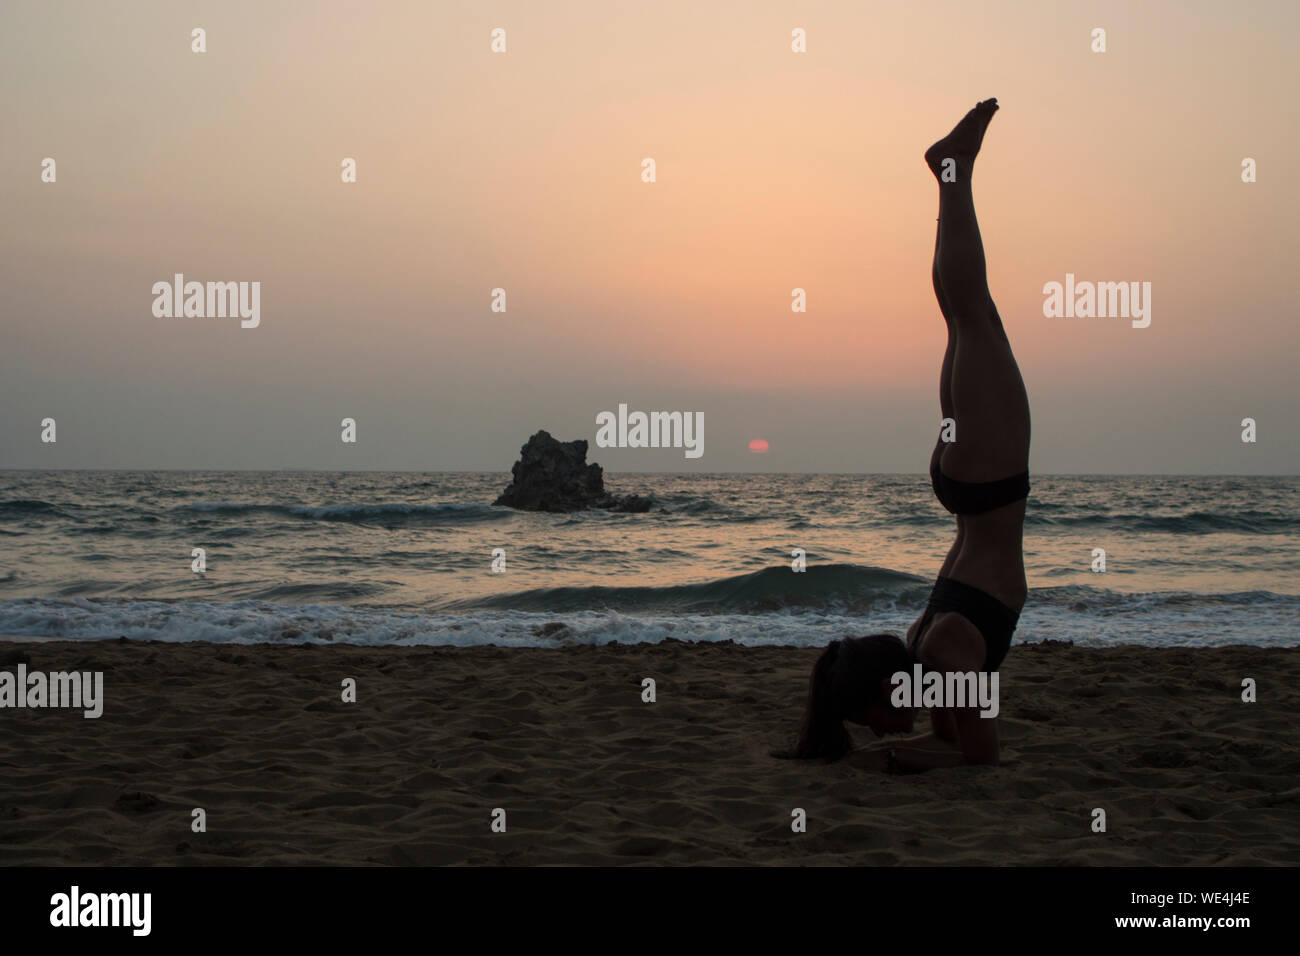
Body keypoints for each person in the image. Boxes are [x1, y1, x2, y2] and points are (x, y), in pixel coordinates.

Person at [779, 99, 1030, 771]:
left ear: (893, 688)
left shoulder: (943, 654)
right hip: (970, 483)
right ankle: (951, 171)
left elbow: (982, 758)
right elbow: (962, 748)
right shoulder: (933, 653)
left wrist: (885, 764)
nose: (883, 732)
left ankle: (953, 171)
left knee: (972, 313)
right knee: (965, 317)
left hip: (987, 482)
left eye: (874, 719)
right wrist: (885, 761)